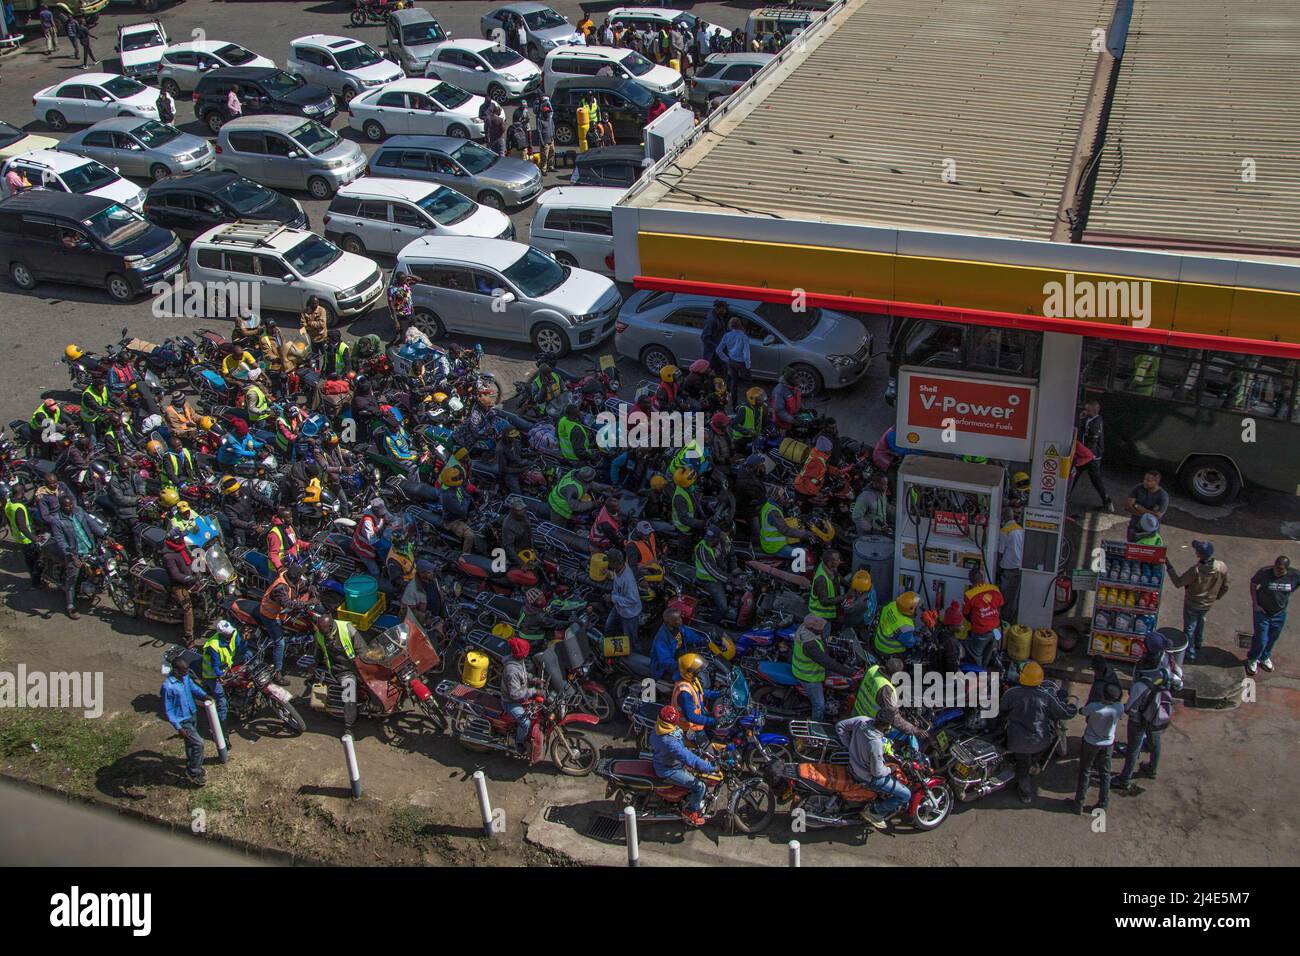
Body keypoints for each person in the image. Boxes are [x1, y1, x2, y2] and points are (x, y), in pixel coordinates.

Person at [999, 661, 1077, 803]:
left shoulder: (1012, 693)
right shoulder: (1045, 696)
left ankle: (1028, 771)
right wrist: (1073, 707)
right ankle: (1026, 793)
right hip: (1039, 741)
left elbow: (1001, 709)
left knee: (1023, 762)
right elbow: (1064, 713)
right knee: (1024, 766)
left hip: (1015, 741)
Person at [1113, 647, 1175, 790]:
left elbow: (1129, 708)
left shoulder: (1140, 685)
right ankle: (1152, 769)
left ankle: (1125, 779)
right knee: (1155, 742)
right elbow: (1178, 682)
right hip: (1155, 715)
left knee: (1133, 749)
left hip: (1138, 720)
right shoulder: (1164, 673)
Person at [835, 714, 911, 828]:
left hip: (852, 764)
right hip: (866, 777)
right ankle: (875, 811)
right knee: (906, 795)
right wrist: (891, 769)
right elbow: (877, 773)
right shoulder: (875, 743)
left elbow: (840, 726)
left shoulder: (862, 720)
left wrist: (850, 746)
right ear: (887, 726)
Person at [651, 704, 716, 826]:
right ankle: (691, 811)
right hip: (670, 770)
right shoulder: (669, 741)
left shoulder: (658, 727)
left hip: (667, 761)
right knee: (700, 786)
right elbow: (686, 756)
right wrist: (707, 767)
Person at [1165, 540, 1228, 664]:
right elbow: (1225, 586)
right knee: (1201, 620)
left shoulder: (1196, 571)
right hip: (1208, 603)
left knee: (1189, 628)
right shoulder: (1221, 567)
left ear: (1198, 554)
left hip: (1192, 603)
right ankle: (1199, 642)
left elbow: (1178, 582)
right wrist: (1216, 597)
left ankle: (1190, 652)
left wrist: (1169, 565)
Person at [46, 494, 102, 619]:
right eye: (66, 505)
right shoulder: (57, 520)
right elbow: (61, 541)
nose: (70, 507)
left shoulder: (79, 511)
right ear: (61, 506)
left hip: (89, 548)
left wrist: (104, 535)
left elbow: (92, 524)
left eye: (71, 504)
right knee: (71, 579)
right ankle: (70, 605)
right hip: (74, 554)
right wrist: (72, 556)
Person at [1071, 682, 1124, 814]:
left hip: (1090, 742)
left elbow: (1082, 711)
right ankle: (1103, 804)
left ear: (1103, 695)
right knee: (1105, 773)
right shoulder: (1119, 708)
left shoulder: (1094, 707)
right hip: (1107, 744)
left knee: (1085, 771)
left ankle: (1078, 804)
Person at [791, 614, 855, 722]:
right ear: (812, 628)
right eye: (819, 628)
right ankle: (816, 726)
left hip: (811, 669)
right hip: (808, 677)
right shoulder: (809, 646)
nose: (822, 629)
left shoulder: (805, 627)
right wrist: (850, 672)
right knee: (819, 705)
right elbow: (828, 663)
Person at [256, 564, 310, 684]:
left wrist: (309, 588)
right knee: (280, 642)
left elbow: (299, 587)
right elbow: (288, 604)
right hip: (269, 616)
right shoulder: (281, 588)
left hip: (280, 613)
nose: (301, 579)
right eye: (300, 577)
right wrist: (307, 603)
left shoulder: (288, 576)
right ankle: (277, 673)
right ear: (295, 578)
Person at [1246, 555, 1299, 675]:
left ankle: (1264, 657)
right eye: (1276, 568)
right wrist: (1255, 604)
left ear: (1286, 569)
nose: (1277, 571)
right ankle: (1253, 658)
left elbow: (1295, 585)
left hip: (1279, 613)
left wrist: (1285, 597)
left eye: (1280, 570)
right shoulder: (1264, 572)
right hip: (1262, 611)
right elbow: (1253, 584)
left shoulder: (1294, 575)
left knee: (1272, 637)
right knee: (1261, 638)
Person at [162, 657, 210, 787]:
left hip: (192, 714)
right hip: (183, 721)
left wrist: (204, 695)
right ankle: (194, 772)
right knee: (199, 744)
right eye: (184, 671)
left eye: (187, 670)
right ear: (176, 671)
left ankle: (191, 766)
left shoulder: (185, 677)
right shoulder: (168, 686)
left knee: (191, 744)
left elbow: (193, 688)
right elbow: (168, 710)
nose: (186, 673)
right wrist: (178, 728)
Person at [200, 619, 244, 727]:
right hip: (212, 675)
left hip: (228, 667)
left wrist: (246, 652)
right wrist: (221, 676)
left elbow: (241, 646)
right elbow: (215, 666)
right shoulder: (213, 645)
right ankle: (222, 727)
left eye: (231, 632)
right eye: (228, 633)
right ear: (222, 634)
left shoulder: (233, 633)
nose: (231, 634)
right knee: (221, 700)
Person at [502, 637, 542, 751]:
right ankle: (518, 742)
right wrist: (534, 691)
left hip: (520, 697)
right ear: (523, 654)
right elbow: (515, 694)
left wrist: (535, 680)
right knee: (525, 722)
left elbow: (524, 674)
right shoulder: (512, 671)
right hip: (511, 702)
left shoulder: (518, 661)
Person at [1073, 400, 1113, 510]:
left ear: (1094, 411)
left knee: (1095, 480)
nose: (1085, 411)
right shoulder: (1088, 418)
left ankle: (1107, 501)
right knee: (1074, 475)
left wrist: (1086, 454)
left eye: (1088, 410)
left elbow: (1092, 443)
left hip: (1092, 457)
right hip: (1086, 455)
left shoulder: (1096, 423)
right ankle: (1066, 496)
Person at [649, 607, 708, 681]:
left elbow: (689, 635)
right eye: (677, 619)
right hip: (664, 668)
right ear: (670, 622)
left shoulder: (678, 627)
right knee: (685, 681)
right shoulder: (661, 640)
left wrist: (702, 641)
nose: (681, 620)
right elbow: (665, 661)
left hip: (679, 656)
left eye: (680, 617)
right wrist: (682, 666)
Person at [161, 527, 197, 645]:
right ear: (176, 540)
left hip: (192, 577)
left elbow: (192, 559)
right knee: (188, 608)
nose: (183, 539)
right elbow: (175, 575)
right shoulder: (168, 556)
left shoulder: (181, 547)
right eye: (181, 538)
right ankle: (189, 636)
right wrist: (188, 578)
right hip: (179, 584)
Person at [961, 568, 1004, 668]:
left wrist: (975, 621)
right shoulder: (994, 589)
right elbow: (1000, 606)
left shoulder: (969, 595)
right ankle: (985, 671)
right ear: (982, 578)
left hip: (981, 631)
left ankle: (978, 677)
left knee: (975, 655)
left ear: (970, 580)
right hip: (996, 630)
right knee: (988, 653)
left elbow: (965, 613)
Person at [1, 482, 41, 586]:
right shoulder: (19, 508)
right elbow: (22, 527)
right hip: (26, 539)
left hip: (18, 537)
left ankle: (34, 581)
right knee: (35, 562)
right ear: (22, 492)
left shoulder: (9, 503)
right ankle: (36, 583)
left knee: (29, 560)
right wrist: (34, 538)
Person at [605, 548, 642, 648]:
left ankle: (632, 659)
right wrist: (610, 574)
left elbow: (632, 600)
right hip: (619, 608)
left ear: (614, 563)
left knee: (630, 640)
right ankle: (609, 646)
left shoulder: (628, 579)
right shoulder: (619, 568)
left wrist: (612, 598)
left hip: (629, 614)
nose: (608, 563)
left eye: (609, 561)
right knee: (609, 627)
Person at [438, 464, 477, 554]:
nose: (458, 479)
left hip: (463, 515)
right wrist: (466, 501)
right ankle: (465, 557)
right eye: (455, 478)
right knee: (470, 536)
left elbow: (468, 497)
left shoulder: (457, 486)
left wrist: (467, 501)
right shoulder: (447, 496)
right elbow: (462, 511)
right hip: (453, 521)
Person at [714, 316, 751, 406]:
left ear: (730, 326)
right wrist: (748, 365)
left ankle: (734, 405)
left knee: (734, 383)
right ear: (740, 325)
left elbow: (718, 350)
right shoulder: (744, 337)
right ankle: (749, 403)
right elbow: (746, 354)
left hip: (731, 362)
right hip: (742, 363)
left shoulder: (727, 336)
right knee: (748, 384)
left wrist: (727, 360)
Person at [1125, 470, 1169, 544]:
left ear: (1156, 482)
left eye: (1148, 480)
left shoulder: (1163, 496)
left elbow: (1157, 515)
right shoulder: (1139, 488)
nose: (1144, 482)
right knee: (1131, 547)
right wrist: (1148, 514)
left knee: (1148, 549)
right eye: (1144, 479)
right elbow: (1127, 506)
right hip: (1135, 526)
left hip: (1150, 530)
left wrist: (1140, 508)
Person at [874, 590, 920, 658]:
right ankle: (917, 668)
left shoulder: (892, 605)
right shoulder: (905, 626)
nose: (918, 608)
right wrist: (917, 639)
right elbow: (909, 644)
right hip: (887, 650)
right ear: (910, 610)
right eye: (916, 607)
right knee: (918, 654)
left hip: (878, 641)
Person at [997, 508, 1024, 620]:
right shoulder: (1021, 529)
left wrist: (997, 566)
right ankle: (1009, 618)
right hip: (1019, 567)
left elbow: (1000, 552)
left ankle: (1004, 620)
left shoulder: (1004, 531)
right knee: (1014, 596)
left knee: (1005, 596)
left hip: (1009, 569)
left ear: (1004, 517)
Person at [401, 560, 443, 628]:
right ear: (421, 574)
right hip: (426, 624)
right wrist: (426, 618)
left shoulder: (433, 579)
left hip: (437, 617)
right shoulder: (412, 589)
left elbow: (438, 593)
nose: (432, 574)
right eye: (429, 572)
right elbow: (405, 611)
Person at [808, 549, 846, 623]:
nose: (839, 561)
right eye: (837, 559)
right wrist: (845, 596)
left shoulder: (830, 567)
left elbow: (838, 576)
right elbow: (824, 602)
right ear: (829, 563)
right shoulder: (821, 579)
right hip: (821, 616)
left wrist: (850, 585)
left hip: (831, 612)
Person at [700, 299, 728, 373]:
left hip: (717, 350)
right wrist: (716, 347)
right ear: (719, 308)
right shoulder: (712, 320)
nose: (726, 310)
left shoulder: (719, 315)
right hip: (712, 353)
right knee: (711, 371)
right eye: (724, 308)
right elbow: (704, 337)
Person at [386, 272, 414, 343]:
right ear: (398, 280)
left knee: (412, 333)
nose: (405, 280)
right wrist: (396, 321)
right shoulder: (392, 289)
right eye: (403, 280)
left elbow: (419, 279)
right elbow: (391, 306)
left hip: (411, 313)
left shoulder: (406, 284)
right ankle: (392, 347)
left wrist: (408, 275)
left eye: (405, 279)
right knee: (403, 337)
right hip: (402, 316)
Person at [536, 96, 556, 172]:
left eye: (548, 112)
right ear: (544, 113)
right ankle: (543, 169)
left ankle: (551, 166)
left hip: (551, 140)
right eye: (546, 113)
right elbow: (539, 131)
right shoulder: (540, 121)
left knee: (552, 153)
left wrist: (553, 135)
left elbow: (553, 127)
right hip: (544, 141)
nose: (548, 114)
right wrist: (542, 142)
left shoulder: (550, 119)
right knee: (544, 156)